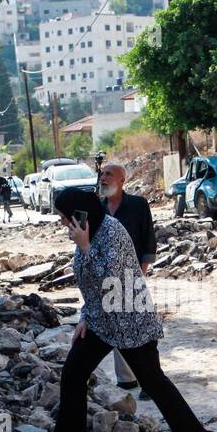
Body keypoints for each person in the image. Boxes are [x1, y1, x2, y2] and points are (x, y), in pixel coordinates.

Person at [40, 189, 217, 432]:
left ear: (78, 214)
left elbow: (111, 279)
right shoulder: (87, 229)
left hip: (131, 320)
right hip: (101, 321)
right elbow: (87, 280)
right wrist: (85, 316)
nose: (63, 224)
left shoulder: (111, 232)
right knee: (73, 372)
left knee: (154, 382)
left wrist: (85, 246)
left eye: (64, 218)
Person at [97, 162, 157, 399]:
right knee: (117, 328)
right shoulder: (96, 208)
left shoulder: (138, 205)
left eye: (108, 174)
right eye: (102, 174)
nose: (103, 178)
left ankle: (150, 383)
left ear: (122, 180)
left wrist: (140, 274)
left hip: (133, 277)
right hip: (105, 280)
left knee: (143, 331)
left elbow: (148, 240)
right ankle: (126, 379)